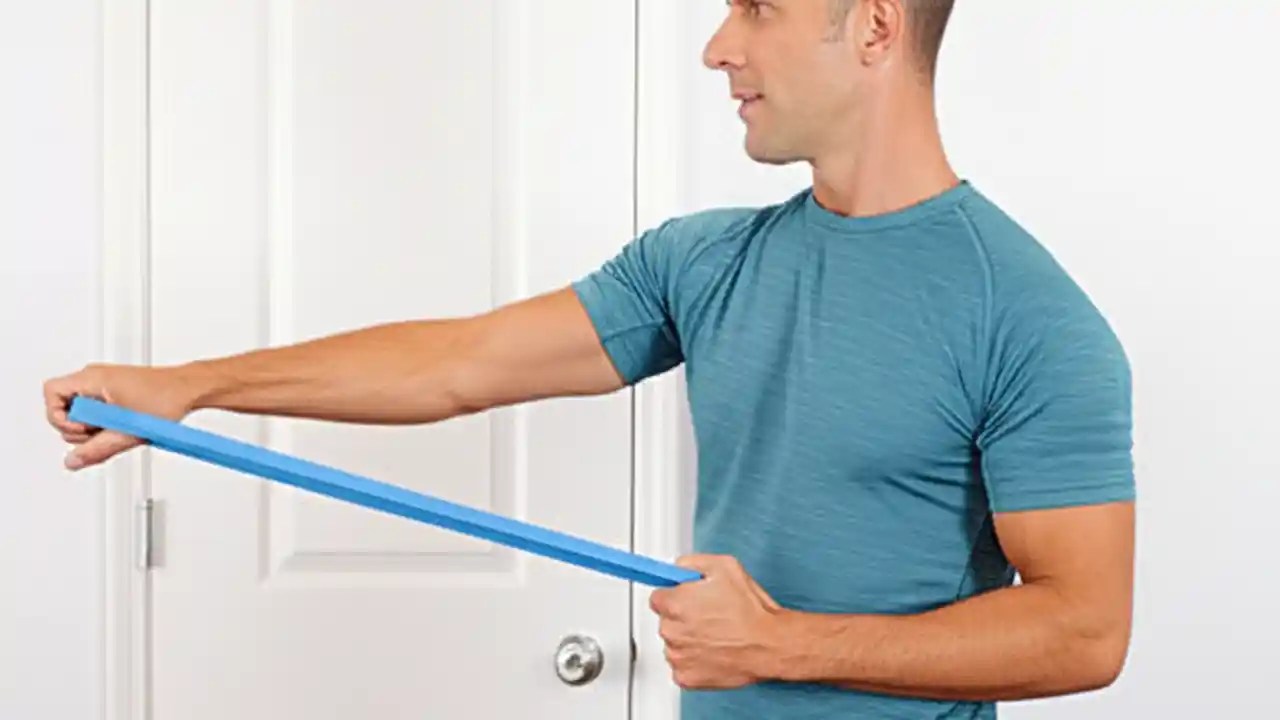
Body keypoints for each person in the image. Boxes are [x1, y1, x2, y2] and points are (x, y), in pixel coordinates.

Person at [44, 0, 1135, 717]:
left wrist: (782, 644)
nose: (718, 45)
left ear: (873, 29)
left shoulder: (1027, 318)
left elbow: (1082, 630)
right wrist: (192, 386)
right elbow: (456, 364)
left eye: (757, 7)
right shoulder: (703, 261)